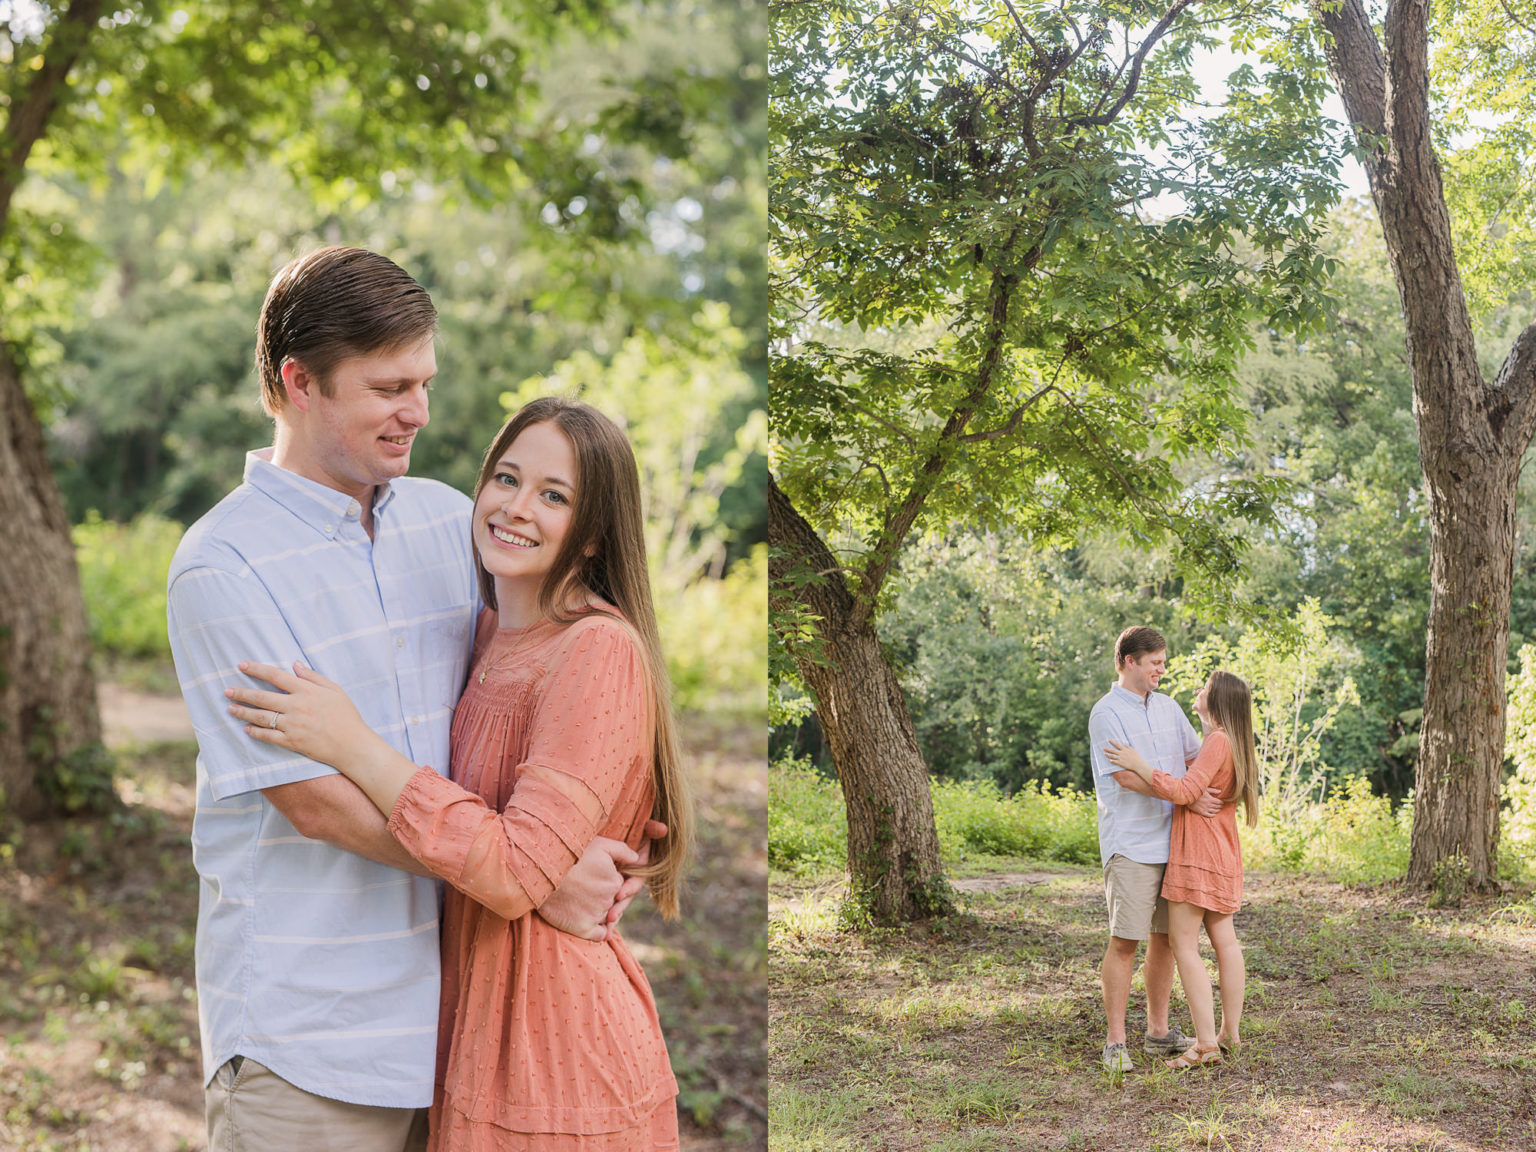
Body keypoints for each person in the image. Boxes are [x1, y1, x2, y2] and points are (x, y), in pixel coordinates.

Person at [167, 248, 651, 1152]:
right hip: (309, 1045)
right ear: (298, 380)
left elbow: (530, 693)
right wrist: (526, 880)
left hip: (465, 1025)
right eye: (390, 388)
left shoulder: (443, 520)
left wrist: (575, 840)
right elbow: (316, 804)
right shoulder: (221, 565)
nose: (418, 412)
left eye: (424, 382)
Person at [224, 396, 692, 1150]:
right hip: (472, 1020)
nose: (516, 508)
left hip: (557, 1046)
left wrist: (353, 745)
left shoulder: (596, 650)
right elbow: (514, 842)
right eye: (505, 479)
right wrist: (554, 866)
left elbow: (511, 869)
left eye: (554, 495)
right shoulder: (485, 636)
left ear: (597, 531)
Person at [1105, 669, 1259, 1068]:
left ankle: (1206, 1044)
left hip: (1197, 852)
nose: (1198, 690)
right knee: (1225, 940)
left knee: (1184, 944)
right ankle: (1230, 1034)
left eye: (1205, 688)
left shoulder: (1216, 741)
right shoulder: (1236, 742)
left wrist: (1139, 764)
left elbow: (1186, 791)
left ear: (1220, 700)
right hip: (1224, 850)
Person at [1086, 625, 1222, 1072]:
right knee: (1125, 941)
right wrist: (1184, 794)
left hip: (1176, 842)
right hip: (1131, 844)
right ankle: (1115, 1042)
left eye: (1163, 662)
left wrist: (1194, 789)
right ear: (1130, 662)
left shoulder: (1167, 707)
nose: (1162, 670)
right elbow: (1124, 777)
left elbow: (1193, 757)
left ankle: (1158, 1033)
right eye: (1155, 663)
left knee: (1164, 940)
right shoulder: (1106, 713)